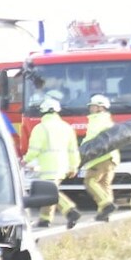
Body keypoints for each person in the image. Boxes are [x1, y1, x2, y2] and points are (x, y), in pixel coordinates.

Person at [23, 97, 82, 229]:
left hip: (47, 167)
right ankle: (45, 220)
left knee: (50, 193)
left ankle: (71, 211)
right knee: (48, 192)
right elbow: (73, 150)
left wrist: (25, 160)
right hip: (62, 166)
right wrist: (74, 166)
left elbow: (34, 150)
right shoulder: (67, 127)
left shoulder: (41, 128)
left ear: (43, 112)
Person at [81, 94, 119, 222]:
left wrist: (81, 151)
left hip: (99, 158)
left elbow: (91, 140)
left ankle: (107, 205)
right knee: (104, 185)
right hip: (111, 158)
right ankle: (104, 214)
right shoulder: (108, 120)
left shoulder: (97, 120)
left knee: (90, 182)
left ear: (100, 108)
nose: (90, 108)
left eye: (93, 106)